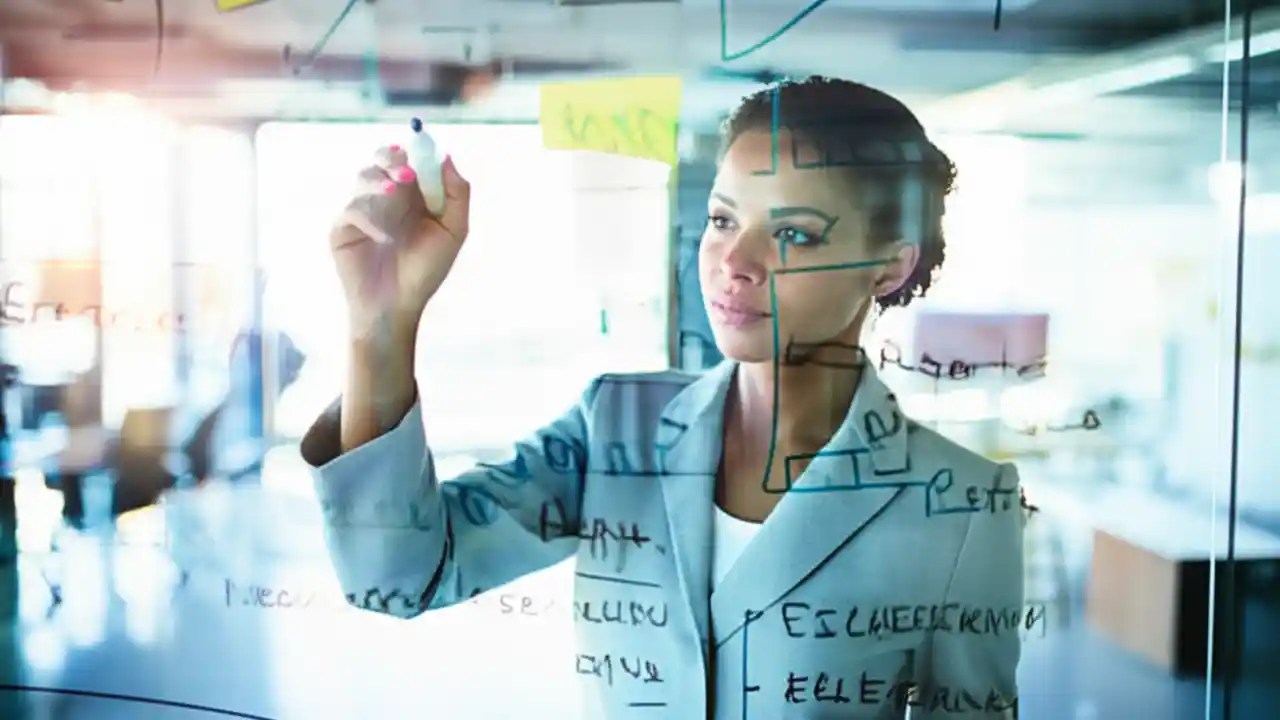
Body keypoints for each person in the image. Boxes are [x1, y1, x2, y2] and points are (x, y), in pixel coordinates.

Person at [302, 77, 1026, 719]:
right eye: (721, 219)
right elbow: (394, 579)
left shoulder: (962, 505)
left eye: (795, 234)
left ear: (887, 268)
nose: (734, 263)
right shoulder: (616, 428)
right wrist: (380, 324)